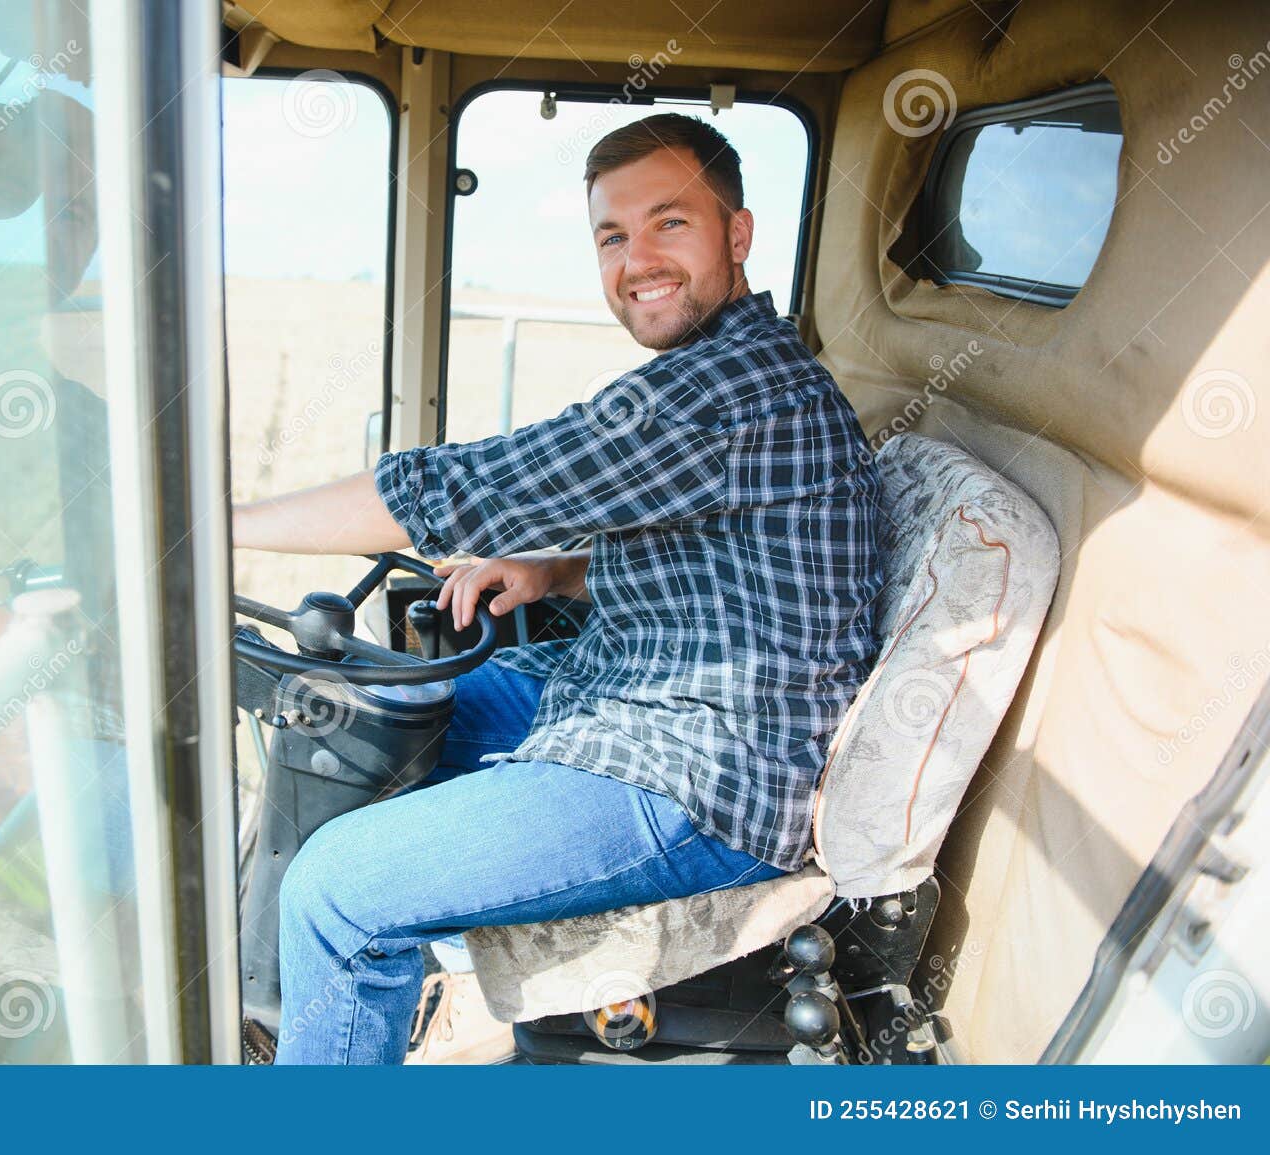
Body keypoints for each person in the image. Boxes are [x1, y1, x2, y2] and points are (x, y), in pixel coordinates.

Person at [232, 113, 884, 1064]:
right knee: (367, 715)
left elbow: (468, 490)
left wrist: (209, 526)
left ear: (737, 236)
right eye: (613, 237)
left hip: (702, 775)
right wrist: (556, 569)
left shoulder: (725, 391)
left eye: (670, 223)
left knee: (337, 890)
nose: (637, 260)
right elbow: (739, 561)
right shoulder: (732, 372)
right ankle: (321, 1019)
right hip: (615, 688)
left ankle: (332, 1019)